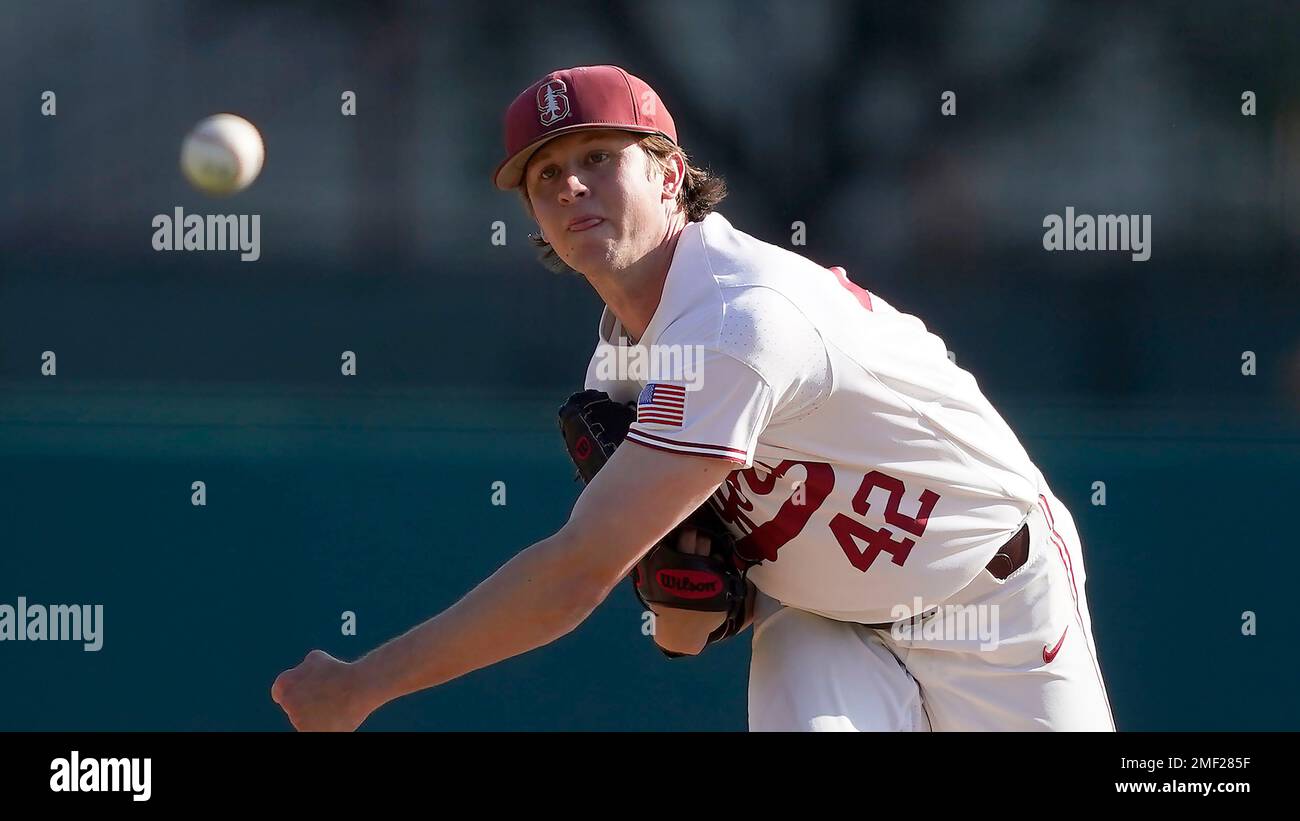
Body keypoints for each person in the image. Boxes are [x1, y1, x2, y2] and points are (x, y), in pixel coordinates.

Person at [272, 64, 1115, 732]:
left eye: (599, 157)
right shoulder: (623, 359)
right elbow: (683, 624)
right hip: (826, 621)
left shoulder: (740, 320)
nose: (570, 186)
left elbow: (572, 577)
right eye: (547, 174)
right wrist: (686, 587)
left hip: (992, 600)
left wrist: (361, 685)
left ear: (671, 175)